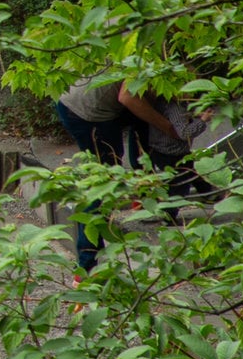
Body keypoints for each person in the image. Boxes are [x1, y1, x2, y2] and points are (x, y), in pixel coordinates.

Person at [53, 76, 201, 271]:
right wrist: (169, 128)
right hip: (87, 113)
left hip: (81, 97)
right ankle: (87, 263)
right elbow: (127, 97)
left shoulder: (151, 55)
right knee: (104, 181)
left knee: (143, 120)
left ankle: (142, 187)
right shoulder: (143, 55)